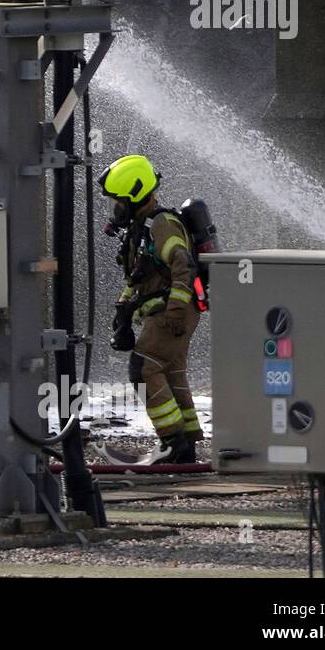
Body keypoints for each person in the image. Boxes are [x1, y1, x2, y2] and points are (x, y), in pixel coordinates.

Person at [99, 154, 202, 464]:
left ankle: (172, 442)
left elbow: (183, 266)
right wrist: (123, 309)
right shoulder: (144, 226)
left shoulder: (162, 224)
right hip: (166, 310)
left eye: (118, 201)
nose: (115, 209)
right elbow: (140, 275)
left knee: (143, 370)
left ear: (133, 196)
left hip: (172, 312)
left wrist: (174, 311)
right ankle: (186, 444)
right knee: (171, 373)